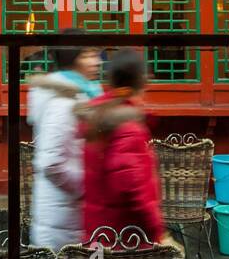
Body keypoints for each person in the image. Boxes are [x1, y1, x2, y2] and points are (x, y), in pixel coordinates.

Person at [75, 49, 177, 248]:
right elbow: (133, 188)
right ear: (141, 81)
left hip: (101, 233)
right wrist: (159, 234)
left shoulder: (99, 114)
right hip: (126, 240)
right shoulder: (128, 125)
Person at [26, 47, 102, 249]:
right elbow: (51, 164)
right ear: (74, 59)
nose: (97, 61)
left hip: (70, 214)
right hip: (62, 217)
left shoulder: (80, 95)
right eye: (89, 55)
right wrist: (87, 187)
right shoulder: (62, 102)